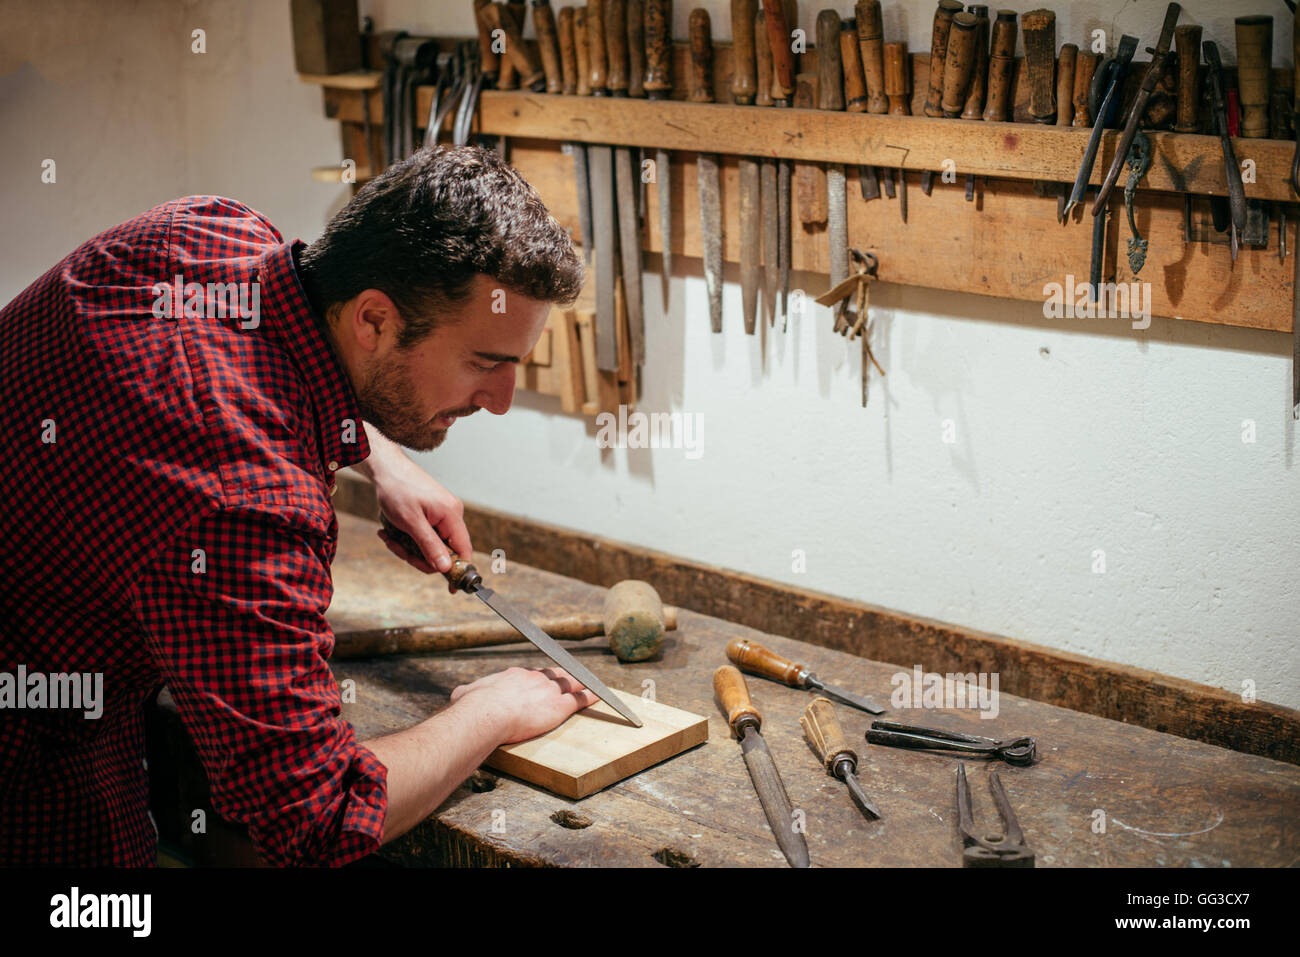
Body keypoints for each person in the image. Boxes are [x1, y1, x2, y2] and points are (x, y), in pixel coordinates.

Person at [0, 145, 596, 866]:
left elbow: (269, 352)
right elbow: (314, 817)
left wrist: (380, 458)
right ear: (373, 320)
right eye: (484, 363)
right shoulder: (248, 502)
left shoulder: (211, 231)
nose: (500, 402)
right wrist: (487, 712)